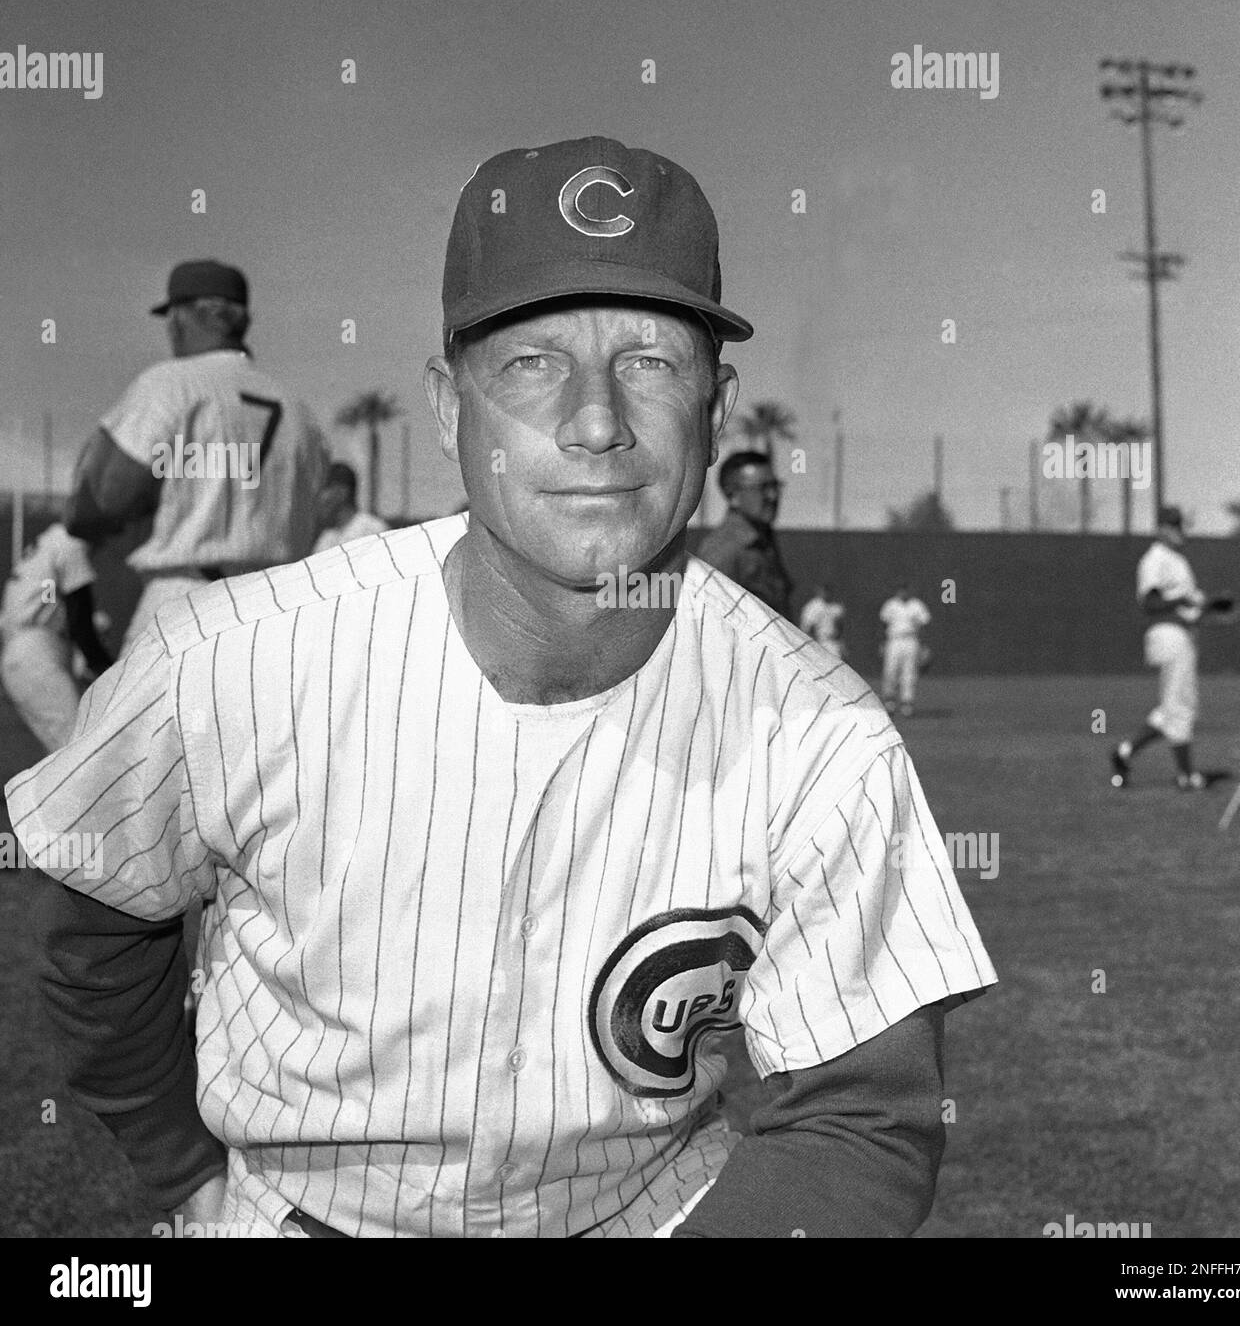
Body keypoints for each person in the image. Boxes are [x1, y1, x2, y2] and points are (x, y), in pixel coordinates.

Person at [5, 136, 995, 1240]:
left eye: (651, 361)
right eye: (530, 362)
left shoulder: (825, 732)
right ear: (447, 409)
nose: (594, 419)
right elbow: (96, 914)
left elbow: (861, 1118)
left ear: (716, 410)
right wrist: (176, 1161)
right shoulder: (230, 652)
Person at [64, 259, 329, 646]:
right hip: (275, 613)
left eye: (172, 315)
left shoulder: (170, 383)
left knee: (110, 709)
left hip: (187, 600)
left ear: (191, 316)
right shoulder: (301, 414)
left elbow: (100, 504)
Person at [1110, 505, 1209, 791]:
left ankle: (1124, 752)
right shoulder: (1154, 559)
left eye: (1180, 525)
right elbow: (1149, 602)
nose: (1180, 531)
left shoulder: (1178, 561)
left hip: (1183, 634)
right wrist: (1182, 603)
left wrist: (1209, 607)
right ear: (1161, 529)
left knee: (1172, 706)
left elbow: (1187, 602)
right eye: (1173, 525)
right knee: (1181, 704)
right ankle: (1186, 775)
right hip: (1168, 634)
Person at [0, 522, 114, 753]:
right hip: (34, 654)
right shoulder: (70, 542)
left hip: (28, 651)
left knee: (67, 755)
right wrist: (106, 668)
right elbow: (80, 619)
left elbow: (49, 590)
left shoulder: (52, 541)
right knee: (80, 752)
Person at [695, 450, 793, 619]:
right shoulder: (723, 551)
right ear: (733, 495)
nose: (773, 495)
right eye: (763, 488)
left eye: (774, 486)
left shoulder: (763, 540)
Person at [311, 461, 388, 554]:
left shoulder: (372, 529)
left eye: (324, 489)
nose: (320, 498)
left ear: (342, 492)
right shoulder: (325, 539)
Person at [879, 581, 931, 718]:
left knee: (909, 672)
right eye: (900, 590)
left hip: (911, 640)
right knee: (890, 670)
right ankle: (889, 703)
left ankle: (907, 704)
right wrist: (882, 643)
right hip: (894, 640)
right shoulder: (890, 605)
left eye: (905, 590)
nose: (903, 593)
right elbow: (883, 624)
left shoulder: (916, 605)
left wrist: (924, 646)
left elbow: (924, 625)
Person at [798, 582, 846, 660]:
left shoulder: (836, 607)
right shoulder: (813, 607)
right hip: (819, 643)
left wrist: (842, 646)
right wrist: (814, 646)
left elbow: (840, 628)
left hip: (834, 644)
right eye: (824, 591)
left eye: (829, 591)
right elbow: (807, 628)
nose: (826, 593)